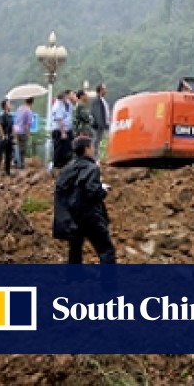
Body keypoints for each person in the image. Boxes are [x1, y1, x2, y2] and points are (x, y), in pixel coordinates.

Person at [53, 136, 116, 264]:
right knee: (106, 250)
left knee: (75, 249)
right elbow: (92, 192)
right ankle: (108, 283)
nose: (93, 150)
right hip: (91, 216)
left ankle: (74, 280)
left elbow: (62, 191)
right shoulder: (92, 168)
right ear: (87, 149)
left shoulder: (67, 169)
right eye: (92, 147)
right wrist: (103, 190)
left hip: (72, 217)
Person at [50, 91, 74, 169]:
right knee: (59, 148)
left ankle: (65, 164)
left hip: (68, 129)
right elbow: (59, 120)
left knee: (67, 148)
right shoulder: (58, 105)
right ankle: (57, 165)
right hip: (59, 130)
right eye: (65, 97)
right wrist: (63, 132)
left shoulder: (67, 103)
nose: (66, 98)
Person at [0, 99, 15, 176]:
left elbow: (12, 126)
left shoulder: (10, 116)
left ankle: (7, 170)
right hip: (3, 137)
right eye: (9, 103)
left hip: (9, 137)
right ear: (5, 106)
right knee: (0, 153)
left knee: (9, 154)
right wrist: (2, 135)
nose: (10, 105)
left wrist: (13, 135)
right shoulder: (2, 115)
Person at [14, 96, 35, 168]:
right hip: (22, 132)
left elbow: (16, 120)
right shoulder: (29, 111)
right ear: (32, 102)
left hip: (16, 130)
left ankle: (16, 161)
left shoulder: (19, 108)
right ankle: (21, 164)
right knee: (22, 149)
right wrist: (28, 134)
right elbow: (27, 125)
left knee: (17, 147)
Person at [90, 83, 111, 154]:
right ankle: (94, 157)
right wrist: (101, 125)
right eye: (104, 89)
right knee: (95, 142)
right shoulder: (97, 100)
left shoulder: (102, 100)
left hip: (103, 125)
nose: (106, 90)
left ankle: (96, 157)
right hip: (98, 126)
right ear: (101, 90)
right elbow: (97, 114)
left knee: (98, 142)